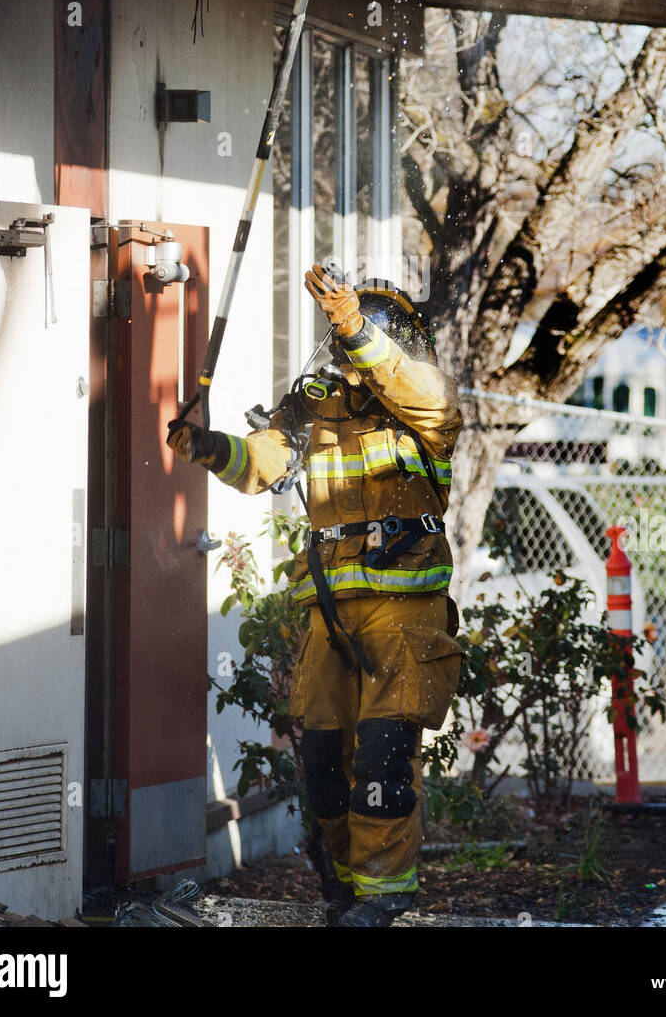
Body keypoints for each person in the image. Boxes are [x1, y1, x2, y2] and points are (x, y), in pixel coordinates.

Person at [168, 264, 463, 927]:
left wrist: (355, 323)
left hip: (405, 622)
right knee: (326, 766)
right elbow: (264, 461)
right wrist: (210, 446)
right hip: (330, 620)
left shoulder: (429, 405)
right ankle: (345, 889)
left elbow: (404, 382)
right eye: (340, 340)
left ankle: (385, 897)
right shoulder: (319, 408)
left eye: (354, 341)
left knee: (385, 759)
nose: (347, 359)